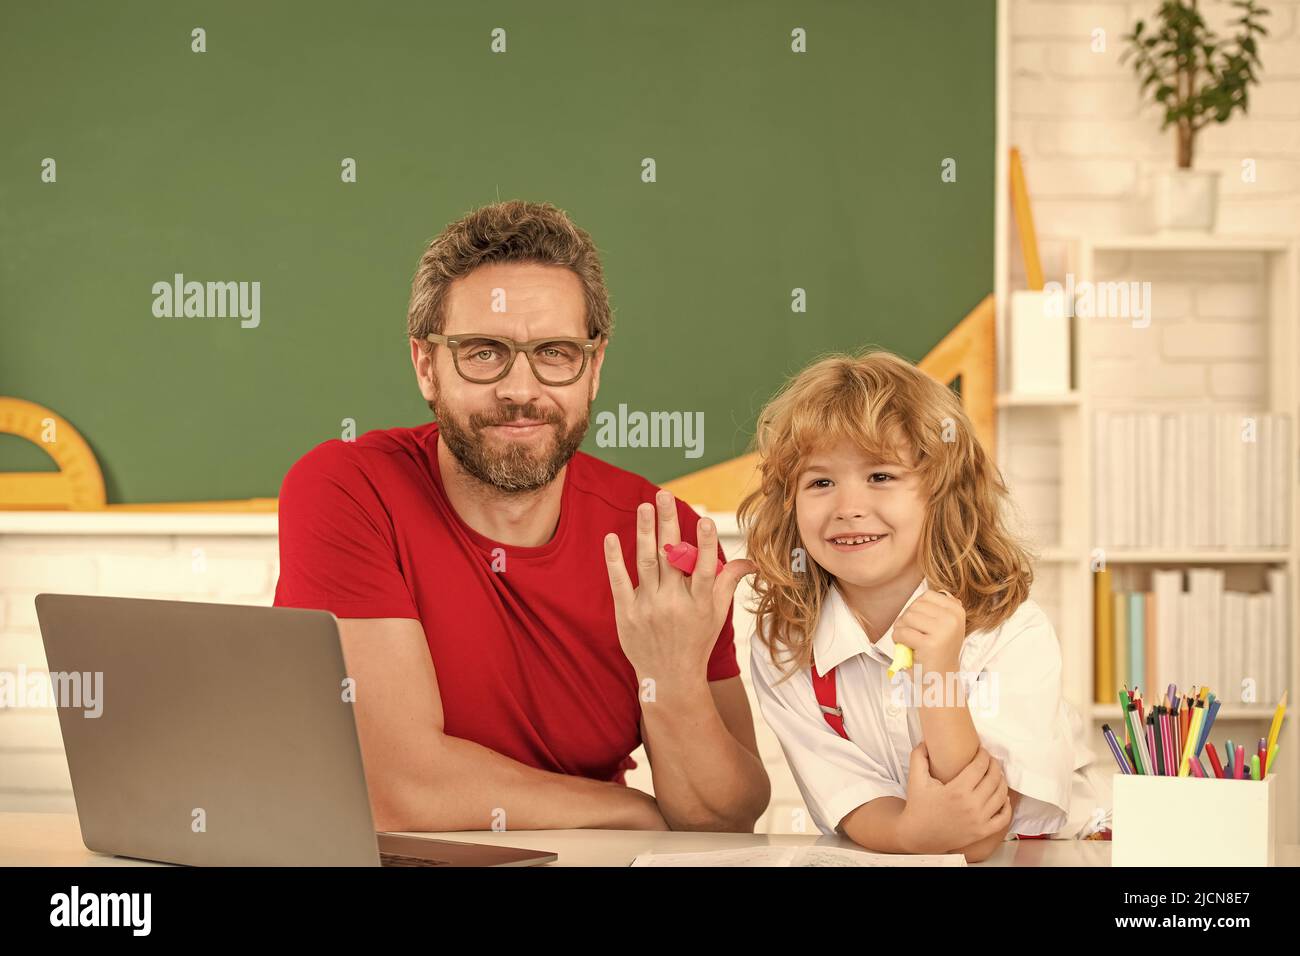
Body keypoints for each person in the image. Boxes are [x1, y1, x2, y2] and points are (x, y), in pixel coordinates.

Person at [273, 200, 769, 833]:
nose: (521, 390)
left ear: (593, 368)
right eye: (484, 352)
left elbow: (724, 819)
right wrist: (634, 812)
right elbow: (396, 790)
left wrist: (668, 676)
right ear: (427, 366)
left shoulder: (658, 536)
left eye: (556, 353)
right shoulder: (349, 489)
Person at [740, 349, 1094, 861]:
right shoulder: (787, 649)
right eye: (820, 482)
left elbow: (981, 828)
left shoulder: (1012, 631)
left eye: (881, 476)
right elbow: (852, 800)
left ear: (942, 494)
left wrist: (939, 674)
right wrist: (910, 835)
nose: (849, 507)